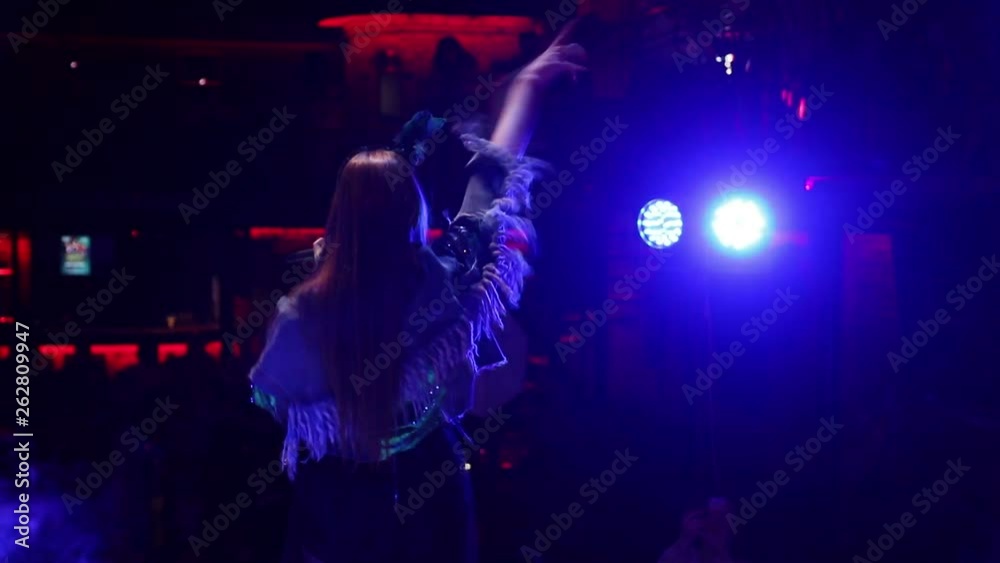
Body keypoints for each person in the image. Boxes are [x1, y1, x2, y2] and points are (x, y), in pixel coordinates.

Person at [248, 24, 586, 563]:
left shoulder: (302, 315)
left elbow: (274, 400)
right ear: (414, 214)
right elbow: (490, 183)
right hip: (430, 493)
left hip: (337, 505)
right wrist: (527, 86)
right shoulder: (446, 284)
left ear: (341, 217)